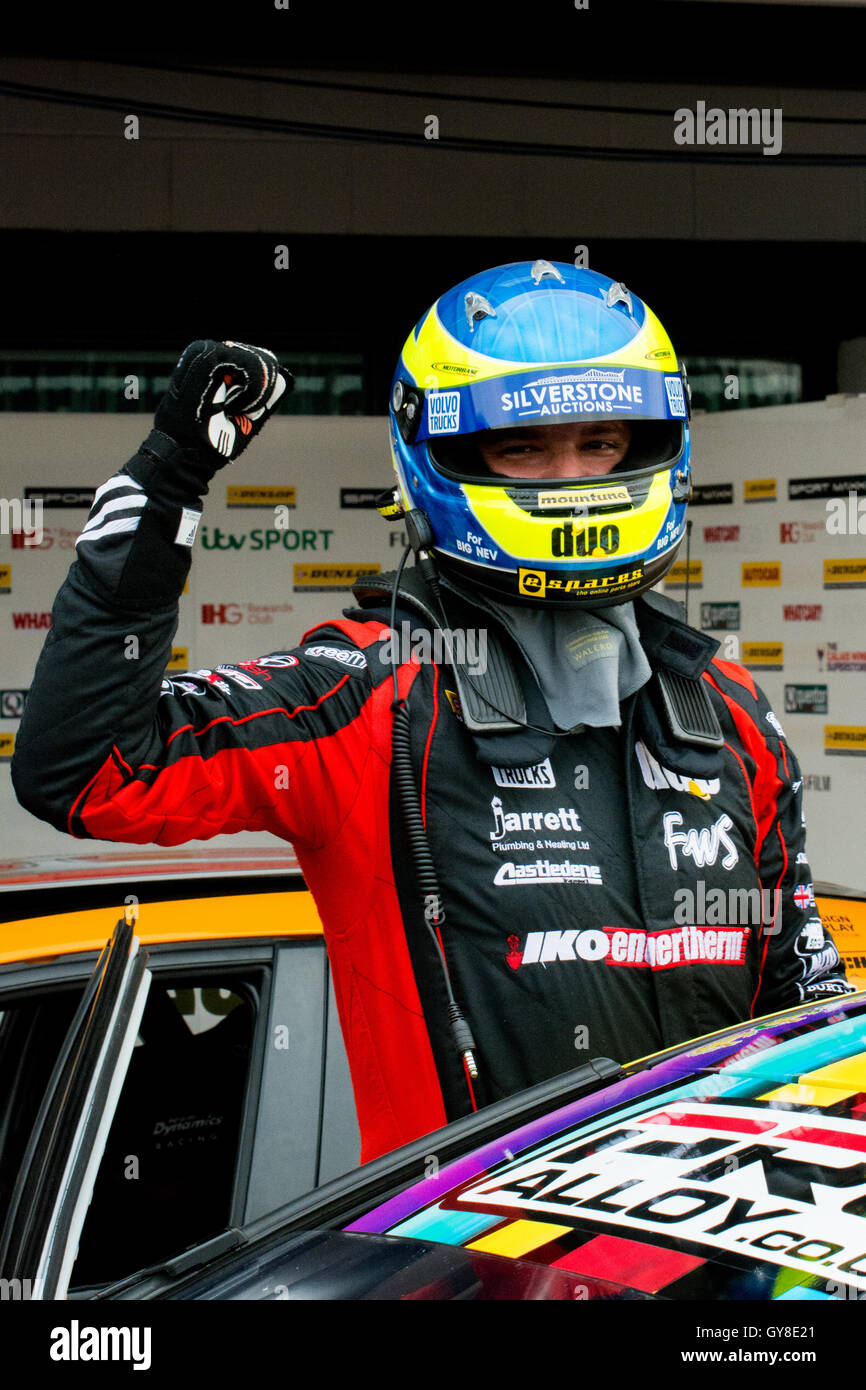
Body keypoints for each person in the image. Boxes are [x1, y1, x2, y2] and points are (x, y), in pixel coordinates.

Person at [12, 261, 853, 1165]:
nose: (568, 477)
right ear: (444, 454)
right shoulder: (372, 696)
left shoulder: (729, 711)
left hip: (706, 1263)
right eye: (523, 448)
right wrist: (169, 477)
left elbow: (807, 1020)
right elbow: (89, 768)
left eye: (600, 442)